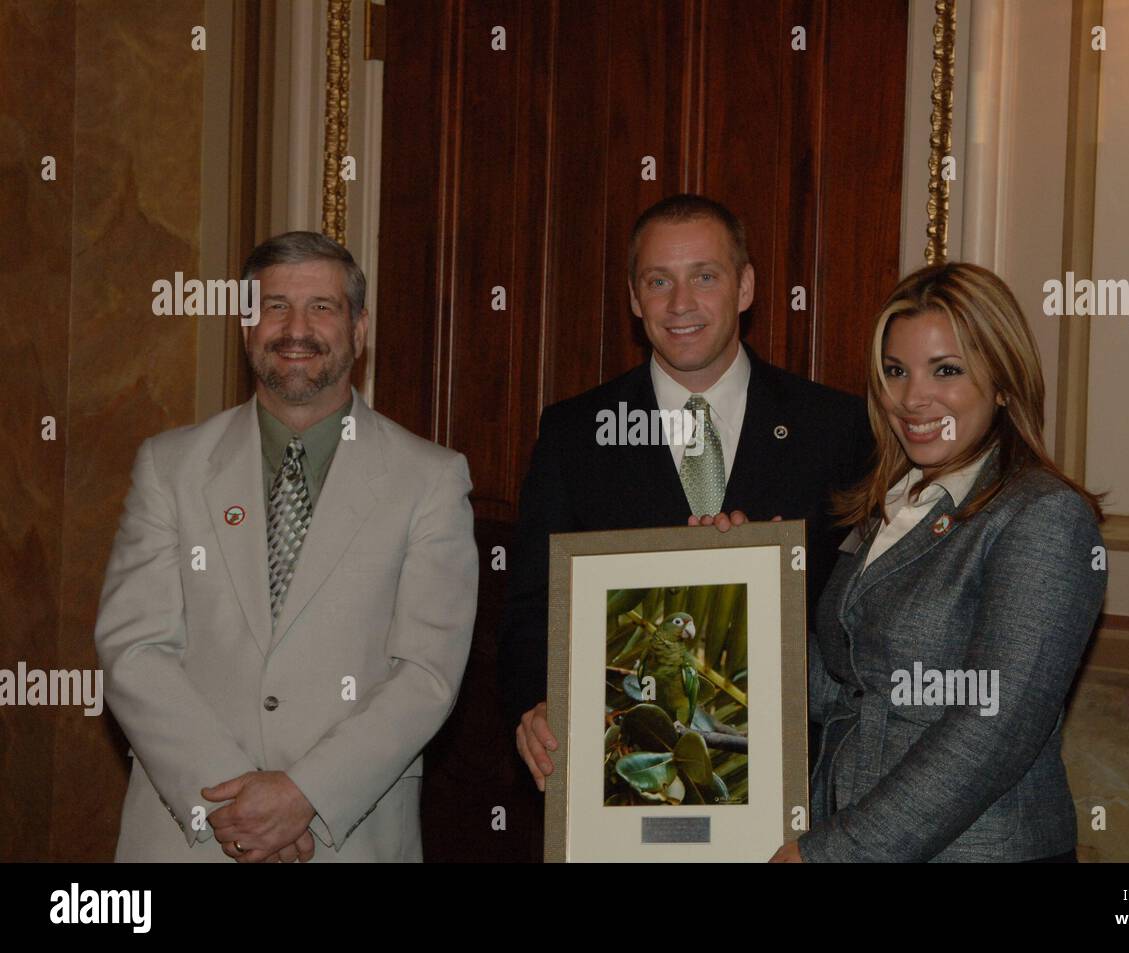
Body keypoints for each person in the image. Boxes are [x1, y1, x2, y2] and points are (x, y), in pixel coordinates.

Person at [95, 232, 478, 862]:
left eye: (321, 308)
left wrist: (306, 794)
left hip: (345, 837)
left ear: (359, 329)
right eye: (274, 307)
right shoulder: (170, 466)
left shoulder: (430, 479)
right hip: (191, 834)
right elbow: (133, 649)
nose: (295, 329)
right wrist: (234, 807)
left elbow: (427, 673)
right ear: (247, 327)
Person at [501, 194, 873, 790]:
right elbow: (531, 610)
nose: (681, 304)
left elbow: (864, 620)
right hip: (625, 784)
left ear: (745, 286)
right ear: (632, 297)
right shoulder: (573, 433)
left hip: (799, 791)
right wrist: (537, 706)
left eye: (705, 276)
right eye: (658, 281)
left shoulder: (836, 428)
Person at [769, 261, 1106, 862]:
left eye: (945, 370)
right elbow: (851, 688)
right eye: (895, 372)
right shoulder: (887, 505)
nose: (912, 398)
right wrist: (749, 584)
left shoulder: (1043, 515)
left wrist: (834, 853)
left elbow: (993, 730)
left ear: (1003, 382)